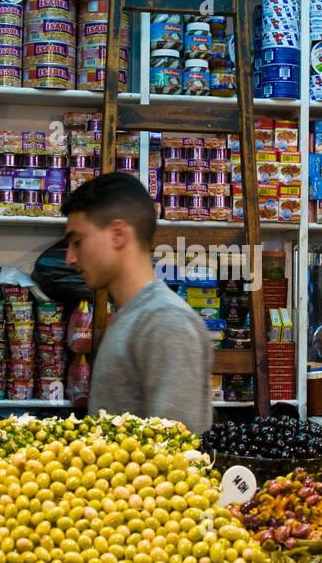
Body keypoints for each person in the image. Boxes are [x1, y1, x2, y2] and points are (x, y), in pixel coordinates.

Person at [62, 172, 214, 433]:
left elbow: (179, 456)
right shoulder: (133, 316)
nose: (70, 258)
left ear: (117, 235)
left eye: (78, 241)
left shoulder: (166, 322)